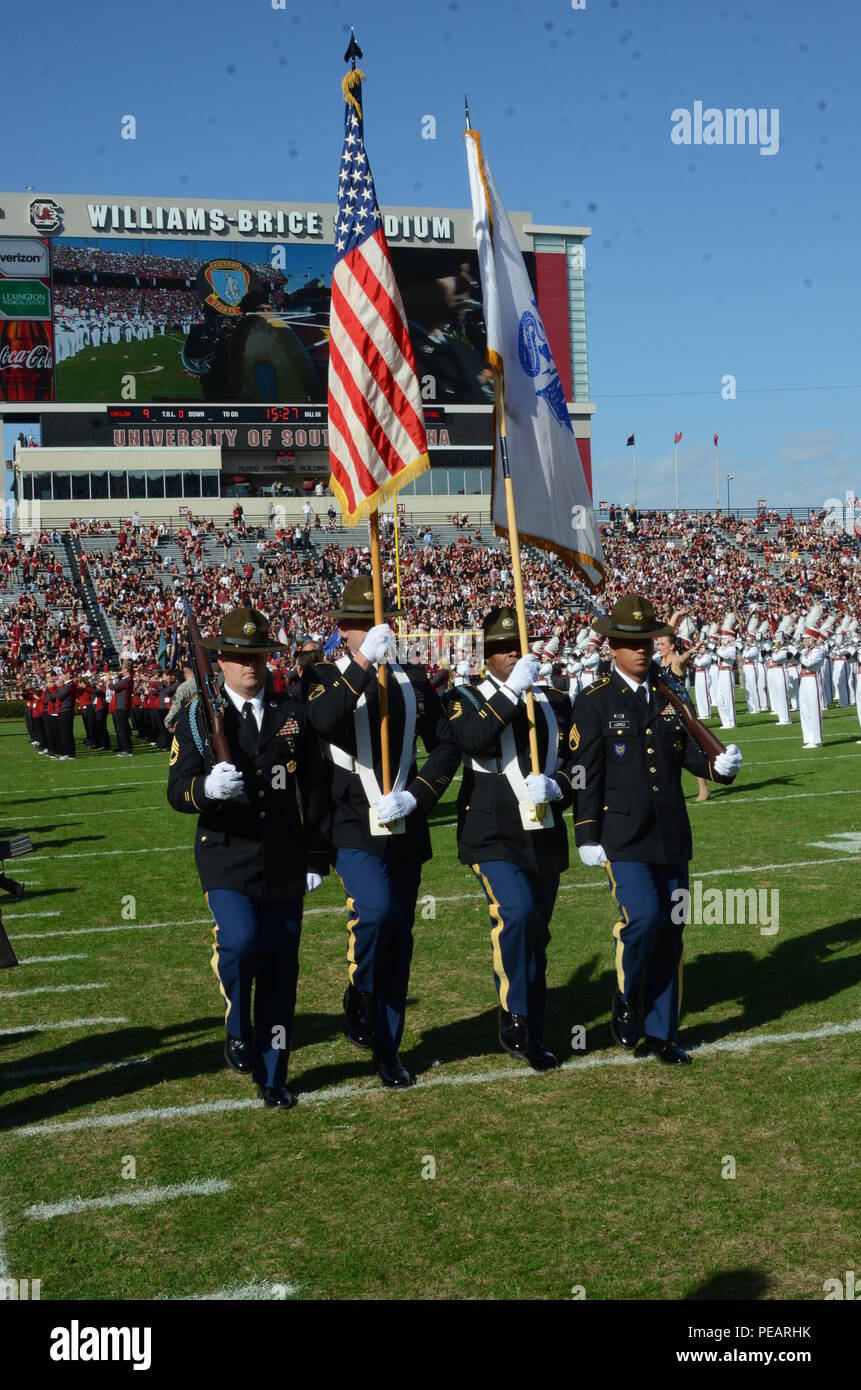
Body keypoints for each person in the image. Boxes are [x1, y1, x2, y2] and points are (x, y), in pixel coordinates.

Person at [167, 607, 331, 1109]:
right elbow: (177, 791)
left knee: (281, 973)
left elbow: (316, 789)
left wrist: (316, 858)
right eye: (238, 657)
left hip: (284, 856)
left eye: (257, 656)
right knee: (239, 943)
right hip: (226, 854)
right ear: (219, 662)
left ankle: (274, 1073)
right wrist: (207, 789)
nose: (250, 666)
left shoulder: (291, 714)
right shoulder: (199, 717)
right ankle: (237, 1026)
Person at [572, 594, 743, 1065]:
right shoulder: (594, 701)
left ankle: (662, 1032)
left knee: (672, 931)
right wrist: (586, 833)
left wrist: (719, 766)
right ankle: (627, 999)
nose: (642, 649)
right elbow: (583, 771)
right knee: (643, 918)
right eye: (630, 642)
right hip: (623, 834)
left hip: (670, 831)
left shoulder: (670, 693)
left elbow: (687, 753)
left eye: (646, 639)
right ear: (612, 647)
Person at [305, 578, 460, 1088]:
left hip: (404, 820)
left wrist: (418, 795)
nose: (370, 630)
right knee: (375, 911)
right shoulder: (324, 673)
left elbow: (445, 745)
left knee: (400, 934)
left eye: (376, 622)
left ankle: (389, 1048)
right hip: (351, 820)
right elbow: (324, 722)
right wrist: (362, 664)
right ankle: (361, 989)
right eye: (356, 624)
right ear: (343, 629)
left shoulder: (414, 677)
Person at [444, 607, 579, 1069]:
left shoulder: (557, 700)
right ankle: (514, 1015)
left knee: (536, 935)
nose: (509, 656)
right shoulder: (465, 696)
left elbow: (582, 764)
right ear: (486, 656)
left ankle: (534, 1034)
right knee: (517, 915)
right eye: (500, 649)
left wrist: (560, 786)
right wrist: (510, 690)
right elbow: (476, 738)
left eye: (515, 647)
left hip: (543, 833)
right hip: (493, 833)